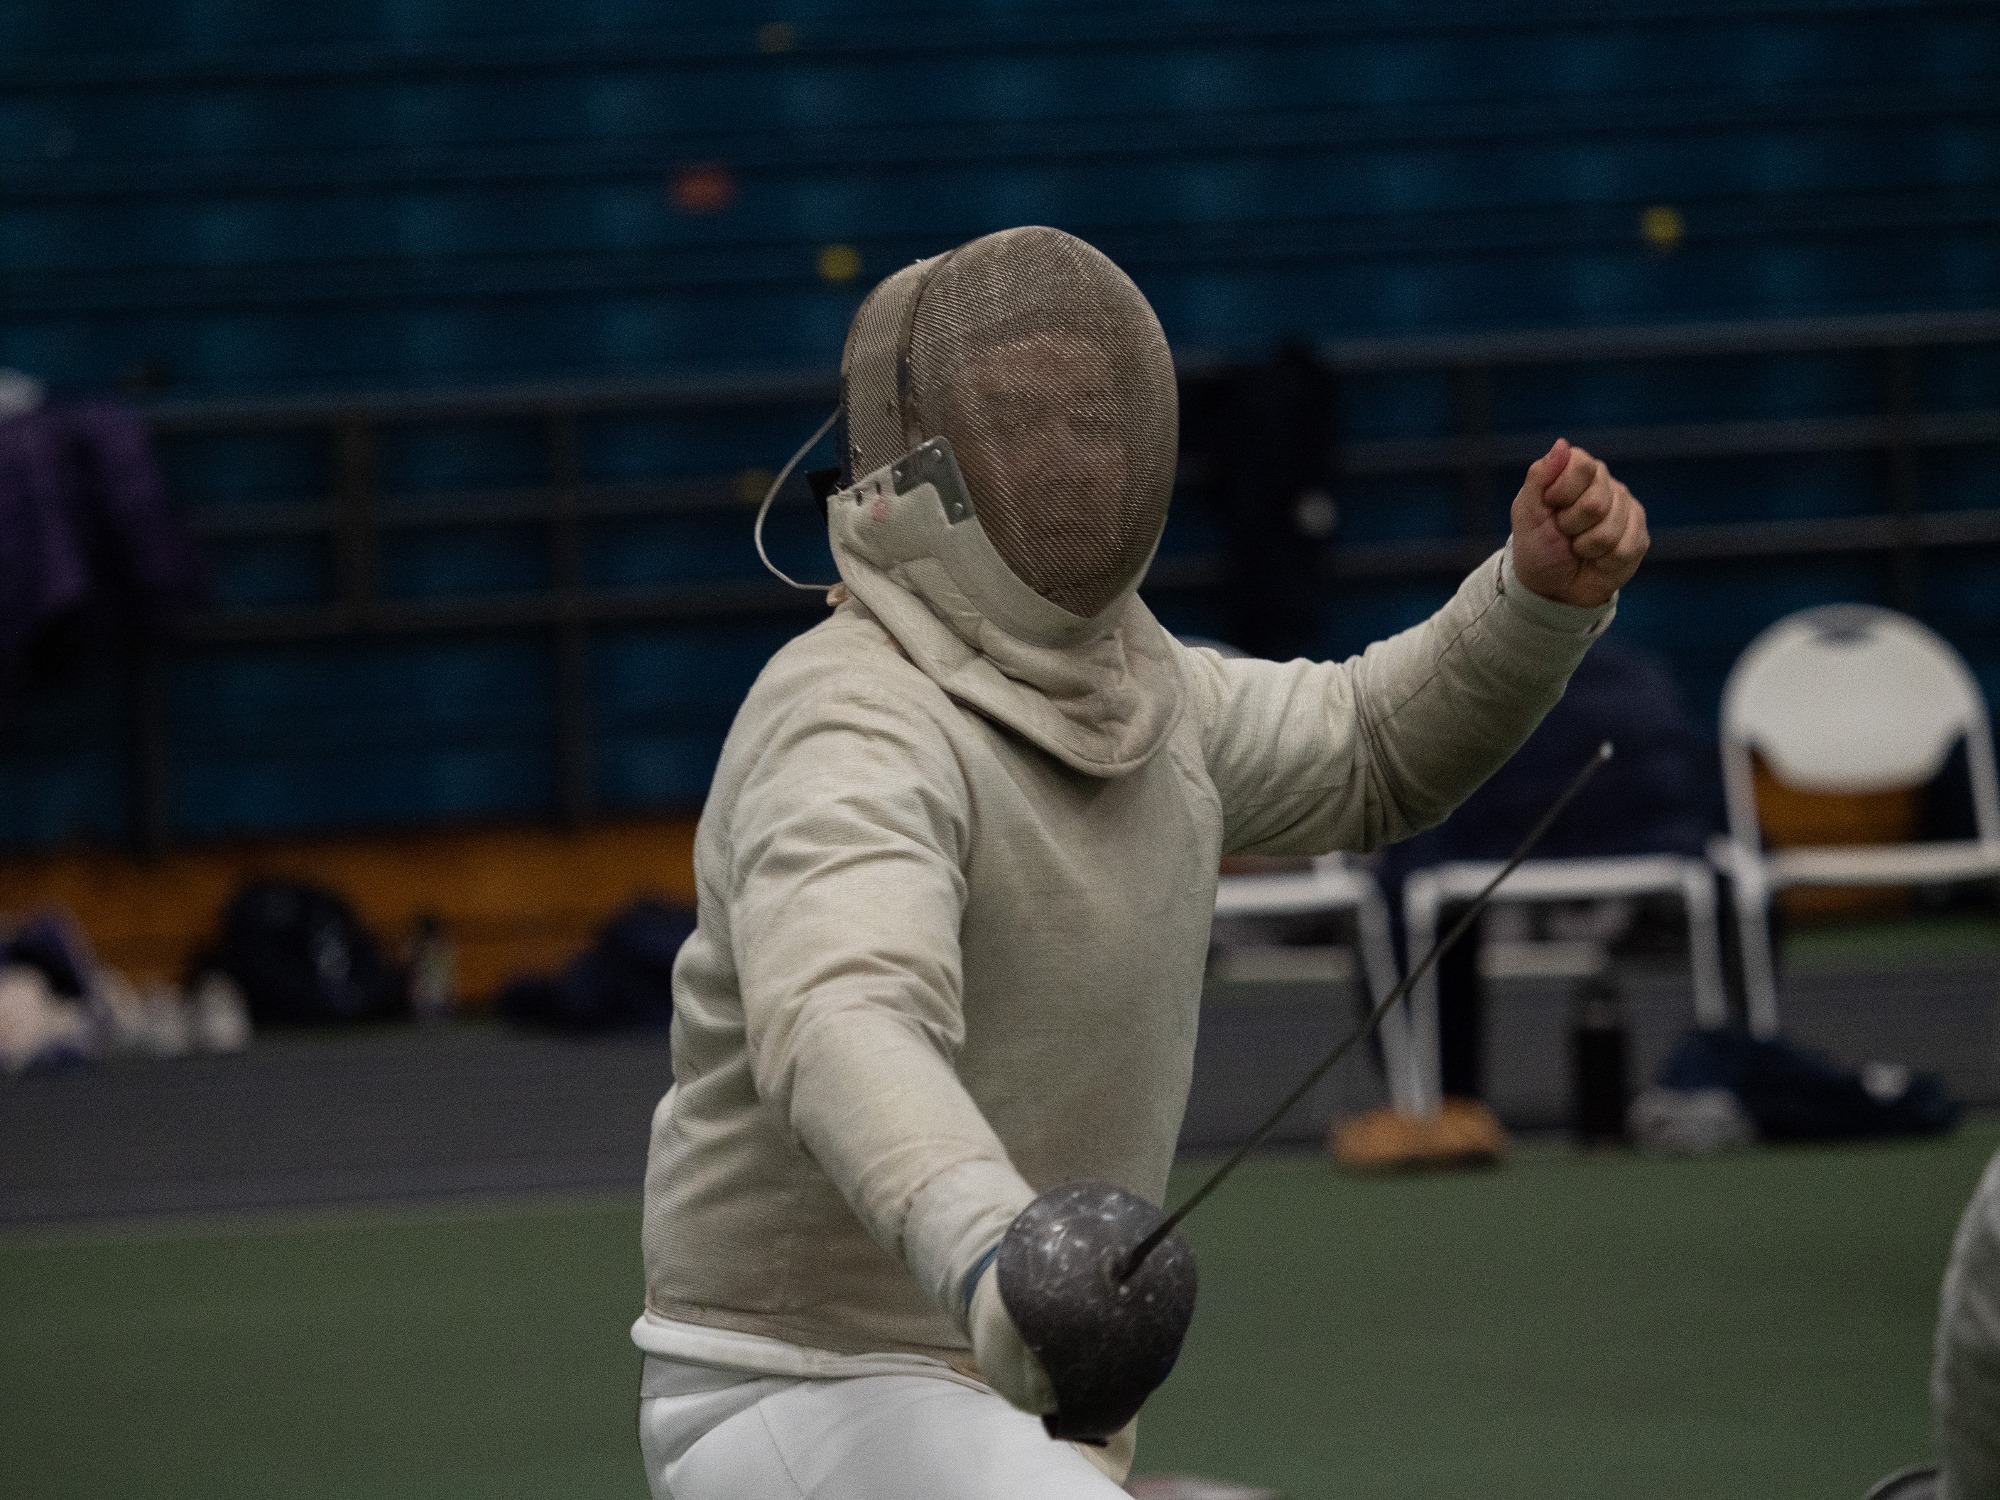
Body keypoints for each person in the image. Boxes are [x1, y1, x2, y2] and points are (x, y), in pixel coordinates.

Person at [632, 225, 1649, 1499]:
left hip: (1008, 1400)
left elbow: (1368, 750)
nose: (1063, 455)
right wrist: (997, 1255)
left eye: (1088, 418)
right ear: (919, 456)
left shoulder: (1139, 688)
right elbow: (843, 1018)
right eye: (1014, 417)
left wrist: (1533, 598)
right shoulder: (850, 717)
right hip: (801, 1381)